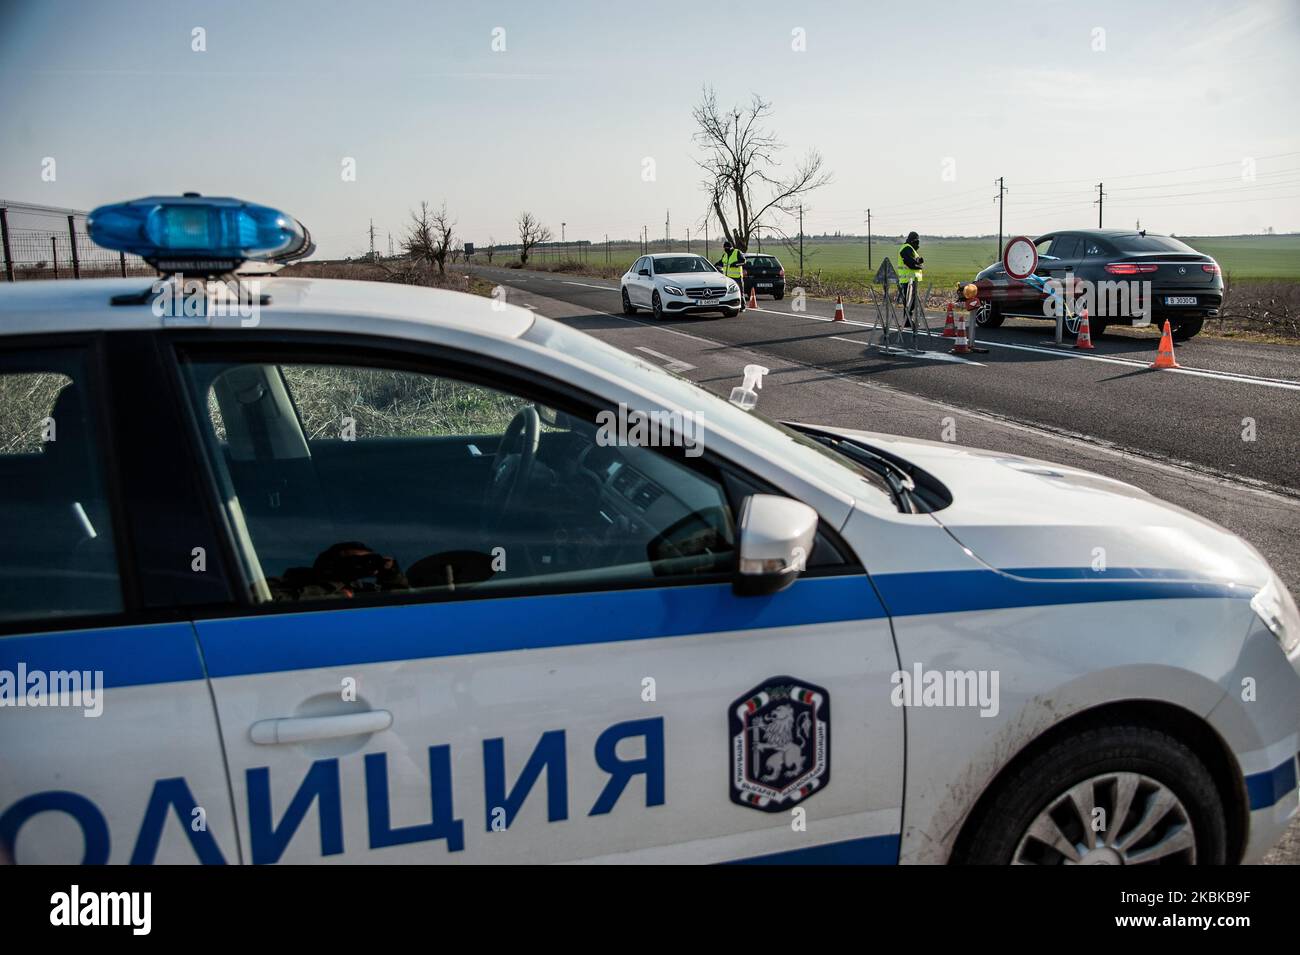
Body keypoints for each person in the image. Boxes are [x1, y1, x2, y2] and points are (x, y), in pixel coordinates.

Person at [897, 231, 924, 325]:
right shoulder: (906, 248)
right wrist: (919, 266)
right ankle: (907, 321)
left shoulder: (910, 248)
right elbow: (910, 263)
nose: (918, 243)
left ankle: (908, 321)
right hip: (908, 280)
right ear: (914, 240)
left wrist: (919, 261)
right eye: (917, 240)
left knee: (911, 302)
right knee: (909, 302)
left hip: (911, 280)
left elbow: (914, 260)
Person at [715, 239, 747, 310]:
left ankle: (743, 306)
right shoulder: (725, 255)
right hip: (727, 278)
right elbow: (721, 262)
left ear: (730, 247)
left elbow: (744, 261)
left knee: (740, 292)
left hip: (737, 277)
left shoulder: (737, 252)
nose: (725, 249)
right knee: (728, 293)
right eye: (724, 248)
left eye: (726, 248)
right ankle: (728, 305)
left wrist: (736, 264)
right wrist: (714, 265)